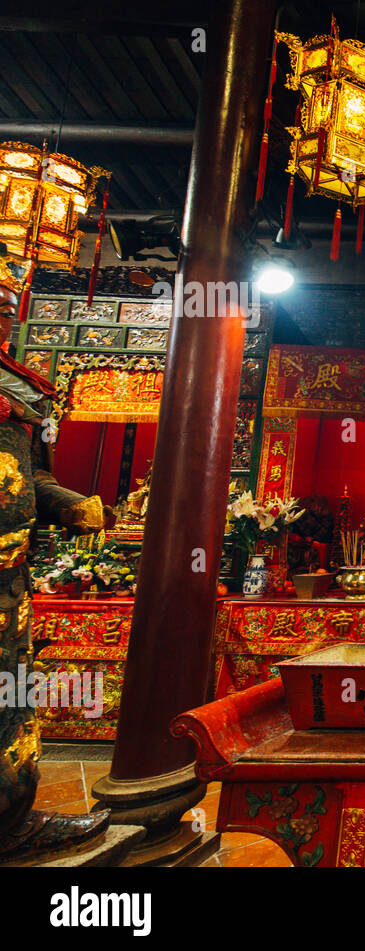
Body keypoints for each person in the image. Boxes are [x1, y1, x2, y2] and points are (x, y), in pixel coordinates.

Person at [0, 256, 114, 863]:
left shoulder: (13, 388)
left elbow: (23, 476)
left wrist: (76, 506)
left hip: (8, 580)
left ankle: (12, 818)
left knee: (9, 699)